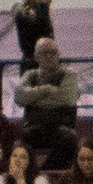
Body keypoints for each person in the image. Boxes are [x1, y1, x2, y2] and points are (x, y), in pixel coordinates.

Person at [18, 39, 80, 169]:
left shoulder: (69, 75)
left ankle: (44, 171)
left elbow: (67, 98)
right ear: (36, 57)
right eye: (44, 53)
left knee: (68, 140)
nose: (49, 56)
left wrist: (34, 98)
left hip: (62, 127)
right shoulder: (30, 75)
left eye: (52, 52)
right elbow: (19, 98)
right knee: (19, 141)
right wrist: (46, 90)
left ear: (58, 54)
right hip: (35, 128)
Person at [13, 0, 55, 70]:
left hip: (44, 62)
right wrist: (42, 5)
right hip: (31, 63)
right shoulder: (23, 13)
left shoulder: (45, 13)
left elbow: (50, 37)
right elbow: (43, 35)